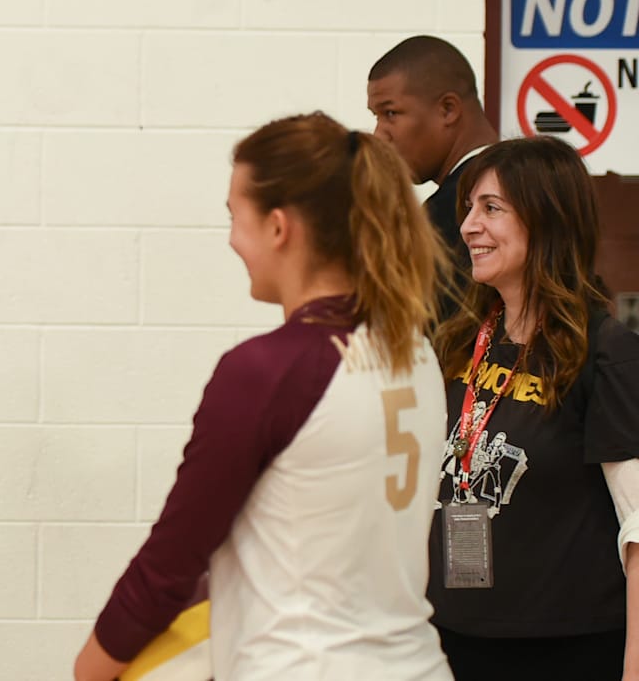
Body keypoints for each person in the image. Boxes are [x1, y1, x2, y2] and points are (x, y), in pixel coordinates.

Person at [74, 112, 452, 681]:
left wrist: (90, 666)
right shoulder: (415, 352)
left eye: (235, 216)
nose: (231, 238)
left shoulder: (268, 369)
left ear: (279, 227)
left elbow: (172, 561)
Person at [428, 136, 639, 680]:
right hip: (454, 636)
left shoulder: (604, 349)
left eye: (491, 208)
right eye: (469, 208)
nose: (469, 225)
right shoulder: (459, 341)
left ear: (548, 219)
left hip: (566, 647)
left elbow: (638, 528)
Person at [367, 35, 499, 260]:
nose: (378, 135)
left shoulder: (453, 215)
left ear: (448, 110)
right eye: (376, 116)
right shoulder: (526, 189)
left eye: (391, 113)